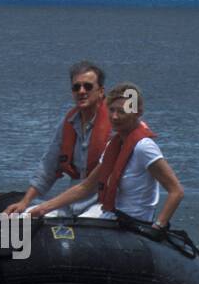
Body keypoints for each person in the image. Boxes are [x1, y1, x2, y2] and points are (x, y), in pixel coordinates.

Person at [26, 82, 185, 228]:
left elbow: (176, 191)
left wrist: (159, 226)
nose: (114, 117)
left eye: (122, 111)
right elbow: (85, 187)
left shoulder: (144, 147)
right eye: (112, 110)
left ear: (137, 113)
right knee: (27, 216)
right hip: (110, 214)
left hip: (131, 222)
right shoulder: (113, 145)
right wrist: (43, 208)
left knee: (73, 230)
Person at [4, 61, 109, 217]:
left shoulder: (114, 123)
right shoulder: (68, 123)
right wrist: (25, 202)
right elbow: (48, 167)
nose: (81, 91)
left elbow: (89, 186)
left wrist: (46, 206)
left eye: (87, 86)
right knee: (23, 217)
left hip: (102, 201)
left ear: (100, 91)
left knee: (82, 224)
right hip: (73, 200)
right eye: (76, 87)